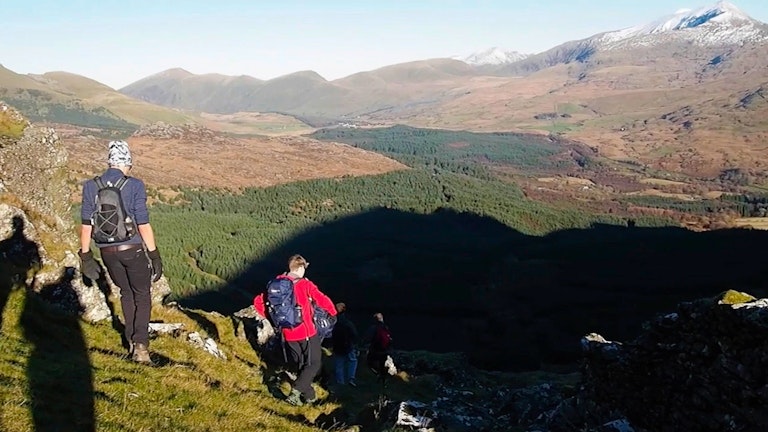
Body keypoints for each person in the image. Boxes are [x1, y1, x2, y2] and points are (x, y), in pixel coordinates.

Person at [78, 140, 163, 364]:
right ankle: (141, 346)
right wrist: (154, 255)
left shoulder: (90, 186)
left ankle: (130, 342)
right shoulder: (134, 185)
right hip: (132, 248)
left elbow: (86, 223)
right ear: (126, 164)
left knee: (126, 293)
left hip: (107, 251)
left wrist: (86, 255)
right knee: (142, 294)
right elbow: (143, 223)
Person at [254, 254, 337, 406]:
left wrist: (274, 320)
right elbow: (321, 298)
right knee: (313, 363)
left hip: (287, 334)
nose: (305, 271)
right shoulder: (304, 284)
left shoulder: (276, 283)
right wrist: (333, 312)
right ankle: (295, 392)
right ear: (299, 267)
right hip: (306, 332)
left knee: (301, 365)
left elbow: (258, 302)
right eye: (304, 268)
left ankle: (310, 397)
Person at [331, 302, 359, 387]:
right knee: (352, 361)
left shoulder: (333, 322)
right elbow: (354, 333)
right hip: (348, 345)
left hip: (337, 346)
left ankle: (340, 382)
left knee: (339, 365)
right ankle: (351, 378)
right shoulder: (347, 322)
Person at [366, 312, 393, 386]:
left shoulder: (373, 328)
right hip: (385, 350)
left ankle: (378, 375)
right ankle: (384, 382)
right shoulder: (385, 327)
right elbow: (389, 339)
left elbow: (368, 338)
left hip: (375, 350)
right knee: (382, 365)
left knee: (369, 363)